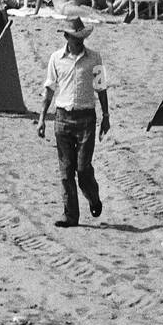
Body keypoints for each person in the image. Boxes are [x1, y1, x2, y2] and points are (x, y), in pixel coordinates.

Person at [36, 17, 109, 228]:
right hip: (63, 118)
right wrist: (42, 117)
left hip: (86, 117)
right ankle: (71, 215)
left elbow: (101, 88)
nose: (78, 42)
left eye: (80, 38)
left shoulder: (95, 58)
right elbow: (49, 88)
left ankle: (93, 198)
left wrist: (106, 116)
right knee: (66, 170)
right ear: (66, 37)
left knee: (83, 168)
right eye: (74, 38)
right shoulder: (55, 58)